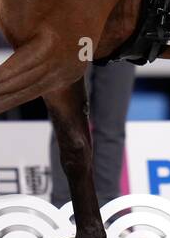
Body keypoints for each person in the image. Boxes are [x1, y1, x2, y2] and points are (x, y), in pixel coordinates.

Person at [47, 60, 135, 210]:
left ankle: (108, 207)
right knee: (66, 126)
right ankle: (64, 206)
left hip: (120, 48)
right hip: (72, 46)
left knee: (111, 130)